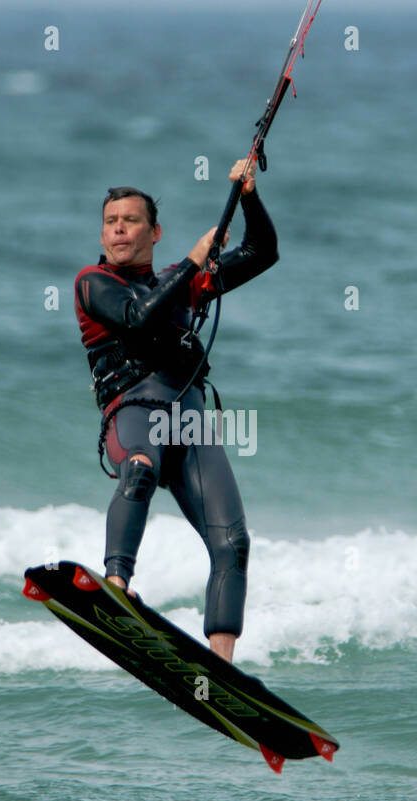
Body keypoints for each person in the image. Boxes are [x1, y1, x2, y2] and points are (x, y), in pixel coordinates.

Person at [72, 159, 278, 662]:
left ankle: (222, 664)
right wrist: (193, 260)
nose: (119, 228)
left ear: (154, 231)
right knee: (138, 470)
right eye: (110, 221)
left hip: (188, 420)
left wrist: (247, 194)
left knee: (234, 541)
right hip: (135, 412)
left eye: (131, 220)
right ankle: (118, 585)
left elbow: (262, 252)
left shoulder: (184, 281)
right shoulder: (92, 282)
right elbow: (139, 318)